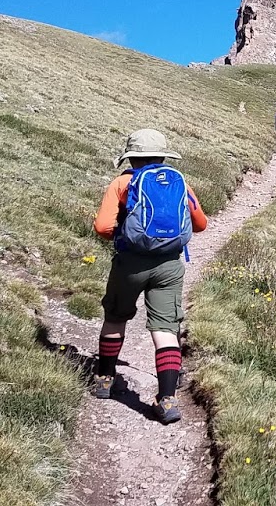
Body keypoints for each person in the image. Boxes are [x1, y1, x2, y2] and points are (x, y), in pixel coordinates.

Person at [91, 128, 208, 424]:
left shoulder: (122, 183)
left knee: (116, 318)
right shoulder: (179, 182)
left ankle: (105, 379)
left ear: (131, 158)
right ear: (163, 156)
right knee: (166, 328)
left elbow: (102, 227)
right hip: (169, 265)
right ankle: (167, 399)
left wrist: (125, 234)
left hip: (129, 265)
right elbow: (200, 224)